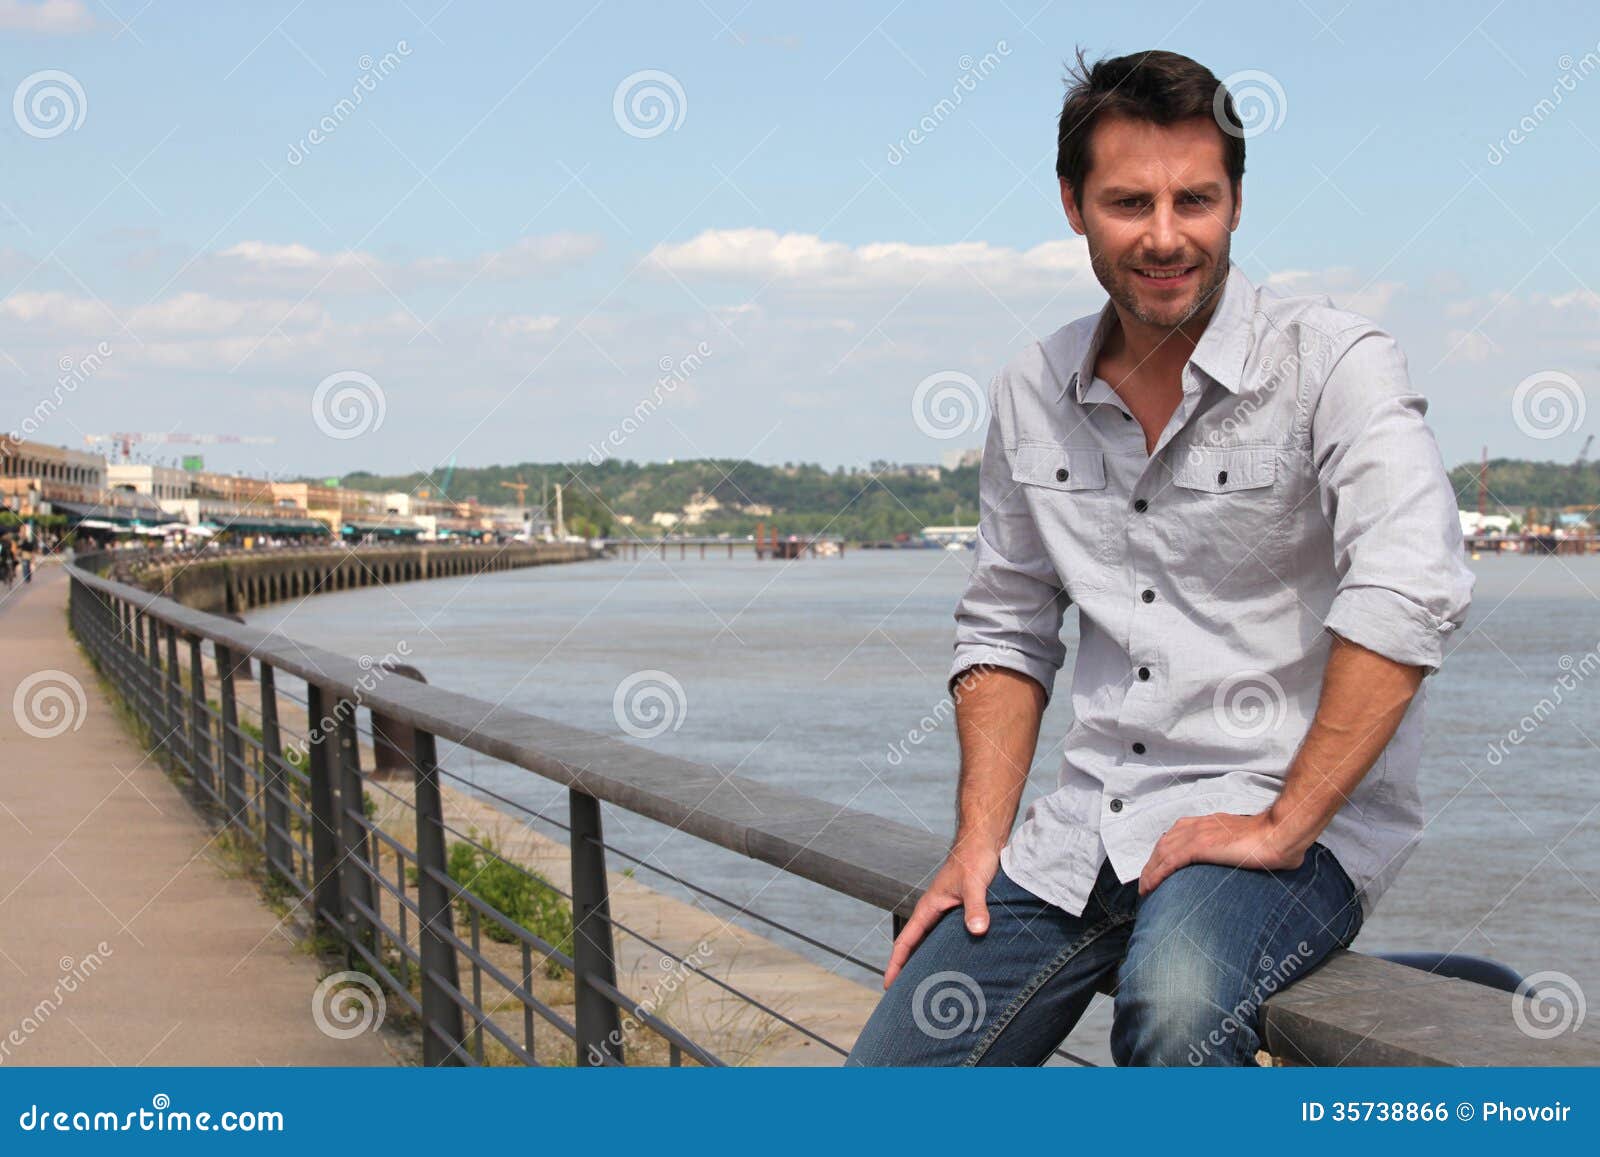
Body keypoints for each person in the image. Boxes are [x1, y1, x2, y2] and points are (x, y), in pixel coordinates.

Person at [846, 49, 1473, 1067]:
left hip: (1280, 822)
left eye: (1197, 199)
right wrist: (976, 843)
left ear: (1234, 202)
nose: (1166, 236)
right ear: (1072, 205)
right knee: (894, 1072)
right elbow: (1007, 621)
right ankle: (1445, 992)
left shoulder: (1334, 363)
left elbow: (1411, 587)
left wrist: (1281, 824)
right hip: (1087, 820)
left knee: (1177, 1010)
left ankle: (1436, 1026)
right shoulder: (1030, 386)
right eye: (1129, 202)